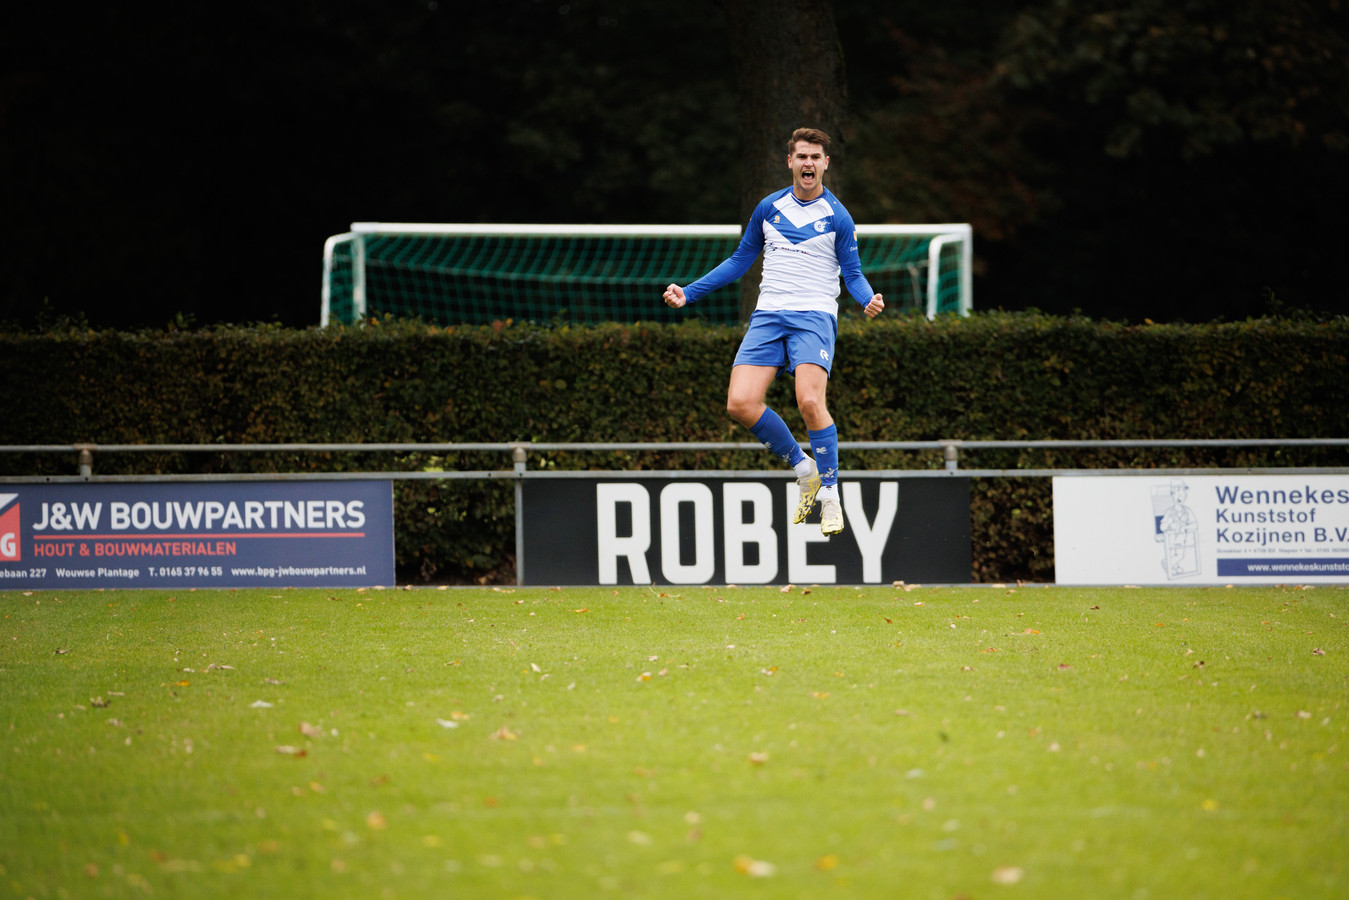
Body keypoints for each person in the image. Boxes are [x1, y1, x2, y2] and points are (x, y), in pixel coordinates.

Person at [662, 127, 885, 536]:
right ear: (789, 162)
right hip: (768, 315)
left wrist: (867, 298)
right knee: (740, 402)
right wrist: (689, 293)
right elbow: (738, 260)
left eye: (816, 157)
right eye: (801, 156)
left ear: (826, 164)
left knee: (809, 401)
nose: (808, 164)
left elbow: (853, 274)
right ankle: (805, 470)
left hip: (814, 317)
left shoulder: (838, 216)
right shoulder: (768, 208)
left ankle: (832, 496)